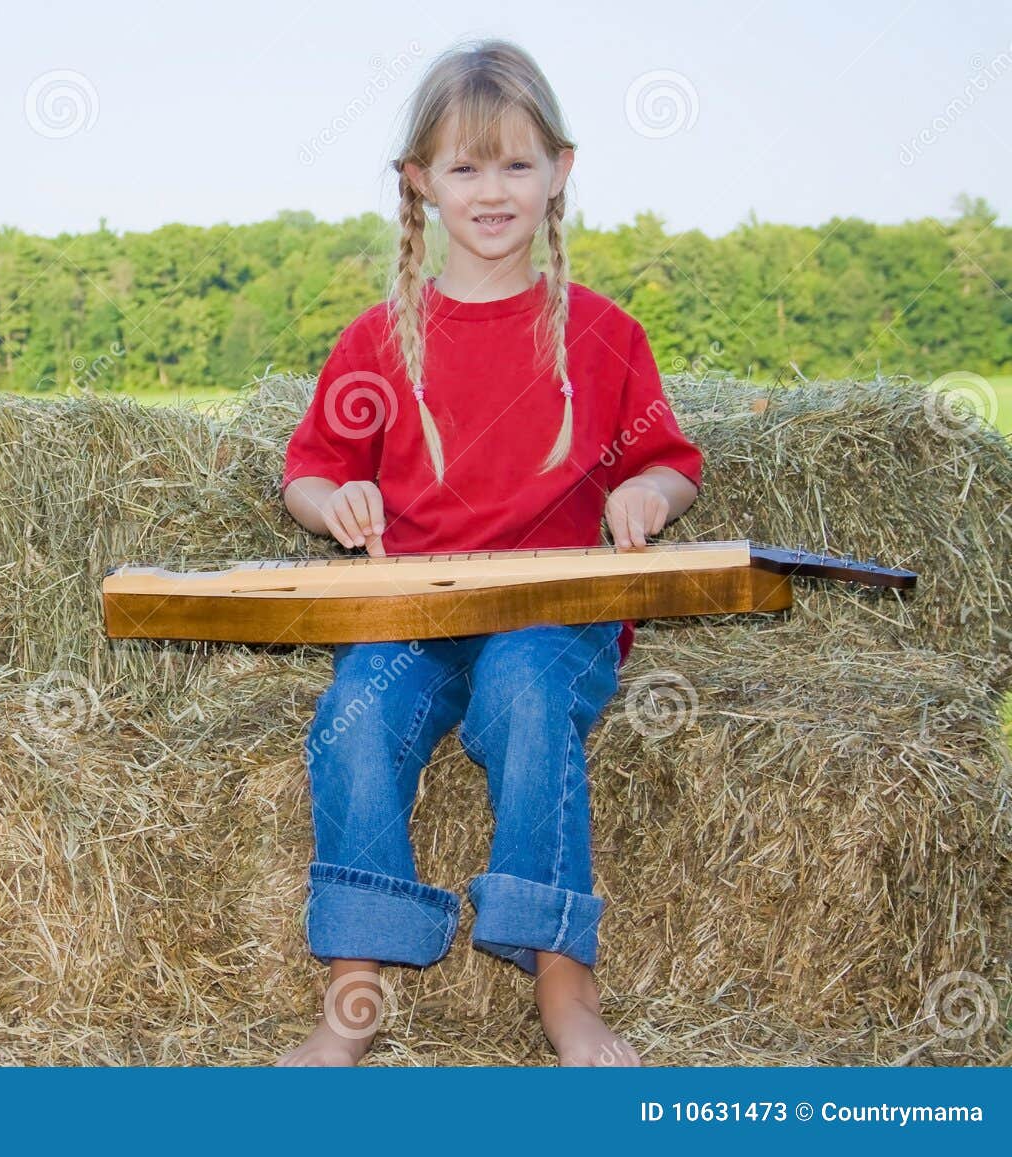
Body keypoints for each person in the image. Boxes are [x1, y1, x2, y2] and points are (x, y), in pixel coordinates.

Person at [275, 38, 704, 1067]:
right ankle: (354, 989)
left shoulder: (602, 335)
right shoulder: (378, 340)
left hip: (551, 617)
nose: (493, 189)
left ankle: (564, 981)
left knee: (524, 687)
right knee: (357, 711)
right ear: (420, 182)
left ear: (560, 169)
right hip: (412, 615)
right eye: (465, 167)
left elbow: (669, 460)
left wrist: (644, 492)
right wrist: (336, 501)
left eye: (516, 163)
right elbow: (308, 471)